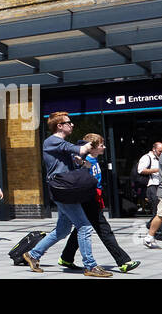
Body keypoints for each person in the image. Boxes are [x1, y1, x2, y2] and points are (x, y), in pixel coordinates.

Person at [21, 112, 109, 276]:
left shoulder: (62, 144)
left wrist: (80, 162)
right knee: (84, 226)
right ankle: (90, 266)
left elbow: (82, 163)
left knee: (62, 230)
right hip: (63, 190)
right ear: (59, 126)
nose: (72, 125)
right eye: (69, 122)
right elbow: (81, 148)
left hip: (67, 189)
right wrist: (92, 143)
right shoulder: (52, 141)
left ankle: (33, 254)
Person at [58, 133, 139, 273]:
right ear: (92, 148)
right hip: (88, 200)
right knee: (104, 230)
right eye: (101, 145)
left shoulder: (94, 161)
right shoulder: (83, 162)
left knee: (81, 228)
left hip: (94, 199)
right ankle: (123, 261)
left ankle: (66, 257)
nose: (104, 147)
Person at [137, 142, 162, 240]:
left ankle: (151, 225)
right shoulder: (146, 158)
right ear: (154, 149)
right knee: (159, 209)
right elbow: (140, 170)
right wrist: (157, 170)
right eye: (160, 151)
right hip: (152, 186)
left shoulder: (161, 158)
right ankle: (160, 233)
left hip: (161, 186)